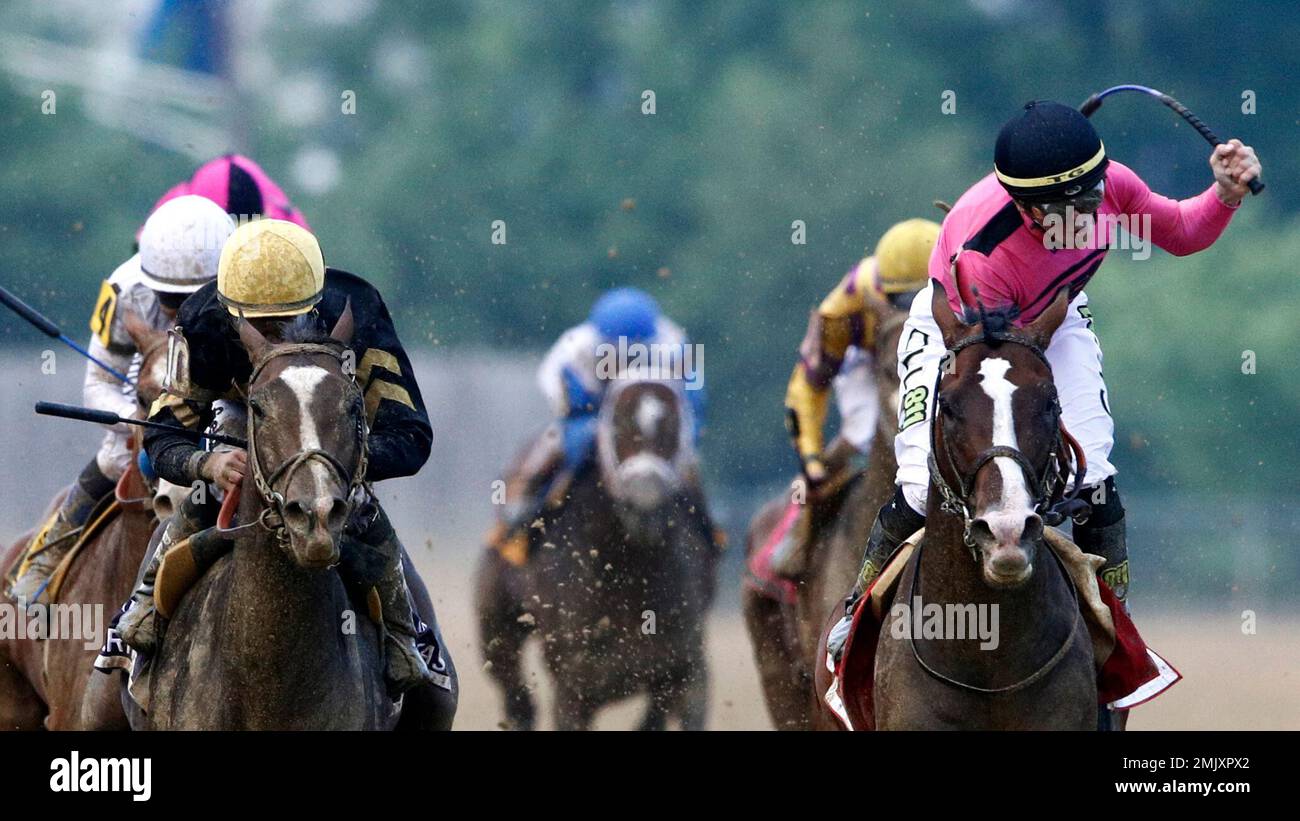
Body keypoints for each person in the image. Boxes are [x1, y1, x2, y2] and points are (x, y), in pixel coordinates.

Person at [837, 100, 1260, 631]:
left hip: (1056, 316)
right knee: (921, 486)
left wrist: (1224, 194)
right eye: (1075, 209)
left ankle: (1115, 629)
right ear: (1029, 209)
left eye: (1094, 197)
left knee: (1096, 481)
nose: (1092, 215)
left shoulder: (1111, 185)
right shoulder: (983, 252)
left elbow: (1178, 232)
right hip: (963, 331)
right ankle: (856, 615)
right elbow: (991, 369)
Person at [117, 219, 438, 696]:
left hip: (330, 428)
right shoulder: (205, 317)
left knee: (362, 511)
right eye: (258, 326)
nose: (270, 336)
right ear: (230, 309)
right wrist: (207, 465)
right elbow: (163, 437)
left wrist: (341, 460)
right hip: (240, 418)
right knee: (200, 498)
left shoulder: (359, 310)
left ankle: (405, 634)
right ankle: (141, 611)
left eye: (282, 322)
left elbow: (410, 434)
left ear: (315, 303)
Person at [8, 195, 236, 607]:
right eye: (170, 302)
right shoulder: (123, 290)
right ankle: (42, 560)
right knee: (114, 457)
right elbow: (97, 381)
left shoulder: (245, 286)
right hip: (147, 400)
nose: (182, 313)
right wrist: (135, 420)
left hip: (221, 394)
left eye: (196, 299)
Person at [763, 219, 939, 578]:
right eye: (903, 301)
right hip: (870, 357)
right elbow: (808, 385)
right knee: (862, 430)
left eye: (926, 297)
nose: (914, 309)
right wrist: (811, 457)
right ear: (880, 293)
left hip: (940, 354)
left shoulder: (971, 284)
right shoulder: (845, 305)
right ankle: (800, 529)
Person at [486, 287, 712, 564]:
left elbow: (692, 399)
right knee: (556, 444)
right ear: (602, 338)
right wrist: (598, 419)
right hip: (589, 414)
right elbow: (565, 398)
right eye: (620, 347)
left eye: (638, 344)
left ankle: (708, 528)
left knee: (688, 464)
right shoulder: (576, 348)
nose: (629, 352)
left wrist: (681, 431)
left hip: (650, 420)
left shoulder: (673, 343)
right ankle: (522, 512)